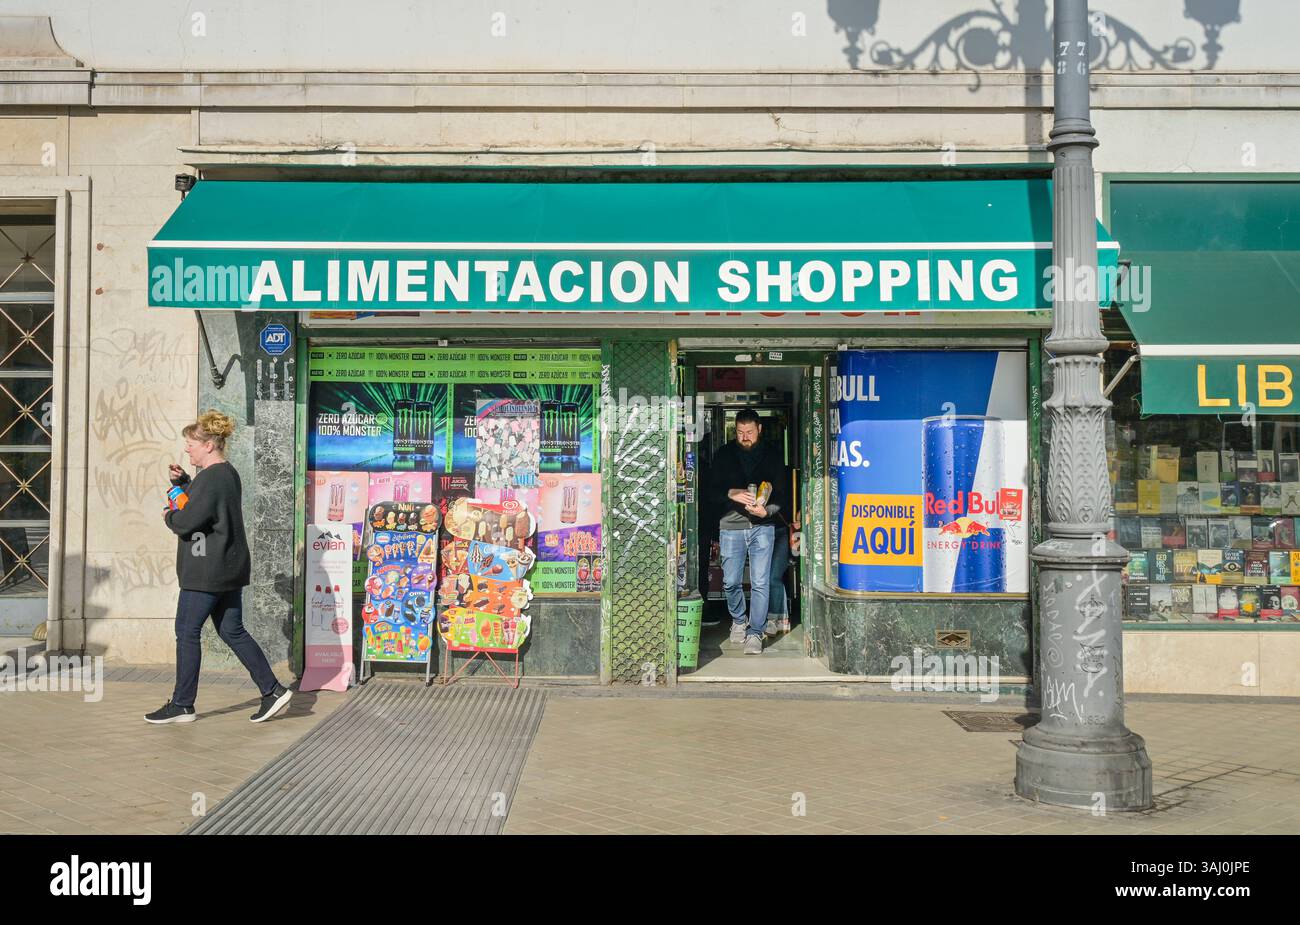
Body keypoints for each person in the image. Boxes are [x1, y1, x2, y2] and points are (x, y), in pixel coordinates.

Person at [144, 411, 294, 725]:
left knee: (186, 632)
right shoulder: (223, 474)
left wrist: (168, 517)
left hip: (206, 570)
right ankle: (272, 690)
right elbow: (204, 507)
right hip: (224, 568)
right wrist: (184, 482)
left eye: (191, 444)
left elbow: (188, 521)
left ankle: (183, 704)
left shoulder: (212, 478)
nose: (188, 450)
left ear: (209, 445)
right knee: (231, 630)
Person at [707, 408, 786, 654]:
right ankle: (739, 621)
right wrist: (730, 493)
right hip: (730, 526)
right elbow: (708, 492)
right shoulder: (723, 454)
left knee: (760, 582)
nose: (745, 437)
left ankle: (755, 632)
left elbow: (782, 492)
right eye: (740, 432)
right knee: (731, 582)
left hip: (763, 526)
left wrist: (769, 510)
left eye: (749, 432)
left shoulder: (772, 454)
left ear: (759, 429)